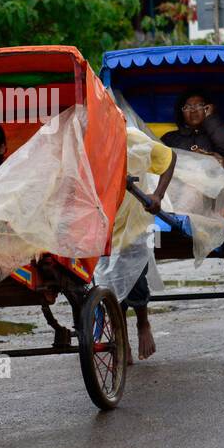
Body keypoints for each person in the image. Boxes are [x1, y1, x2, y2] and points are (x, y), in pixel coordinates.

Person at [97, 125, 176, 364]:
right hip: (104, 223)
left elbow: (170, 158)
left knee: (134, 280)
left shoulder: (131, 138)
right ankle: (121, 338)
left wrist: (158, 196)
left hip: (134, 221)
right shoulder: (81, 144)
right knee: (107, 283)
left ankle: (143, 321)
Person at [159, 90, 224, 206]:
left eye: (199, 105)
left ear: (209, 108)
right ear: (181, 112)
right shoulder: (170, 138)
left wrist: (211, 119)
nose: (193, 110)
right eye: (187, 107)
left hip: (216, 199)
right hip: (173, 196)